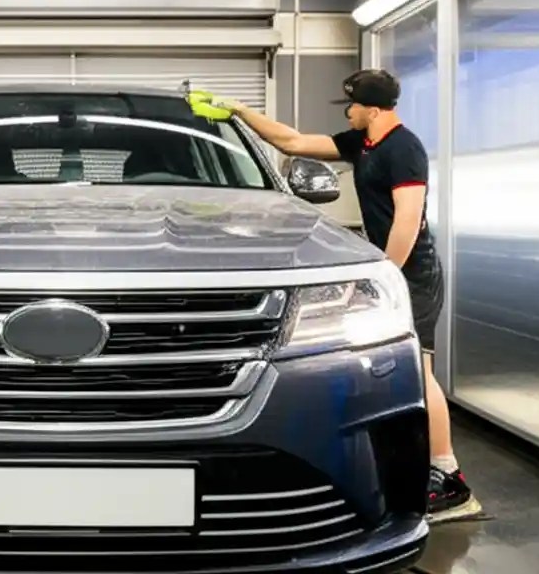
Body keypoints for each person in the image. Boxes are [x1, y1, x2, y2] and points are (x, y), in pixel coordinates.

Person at [190, 70, 482, 523]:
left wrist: (385, 275)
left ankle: (450, 480)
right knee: (411, 370)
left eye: (351, 106)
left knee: (419, 372)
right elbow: (292, 142)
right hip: (395, 267)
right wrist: (240, 111)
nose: (347, 113)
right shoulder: (362, 143)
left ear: (373, 108)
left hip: (412, 273)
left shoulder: (403, 148)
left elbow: (408, 218)